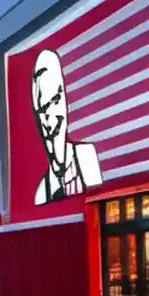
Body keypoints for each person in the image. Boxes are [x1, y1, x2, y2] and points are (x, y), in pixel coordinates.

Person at [32, 49, 102, 204]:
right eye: (43, 109)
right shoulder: (43, 193)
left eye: (56, 99)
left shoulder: (86, 157)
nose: (52, 116)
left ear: (66, 103)